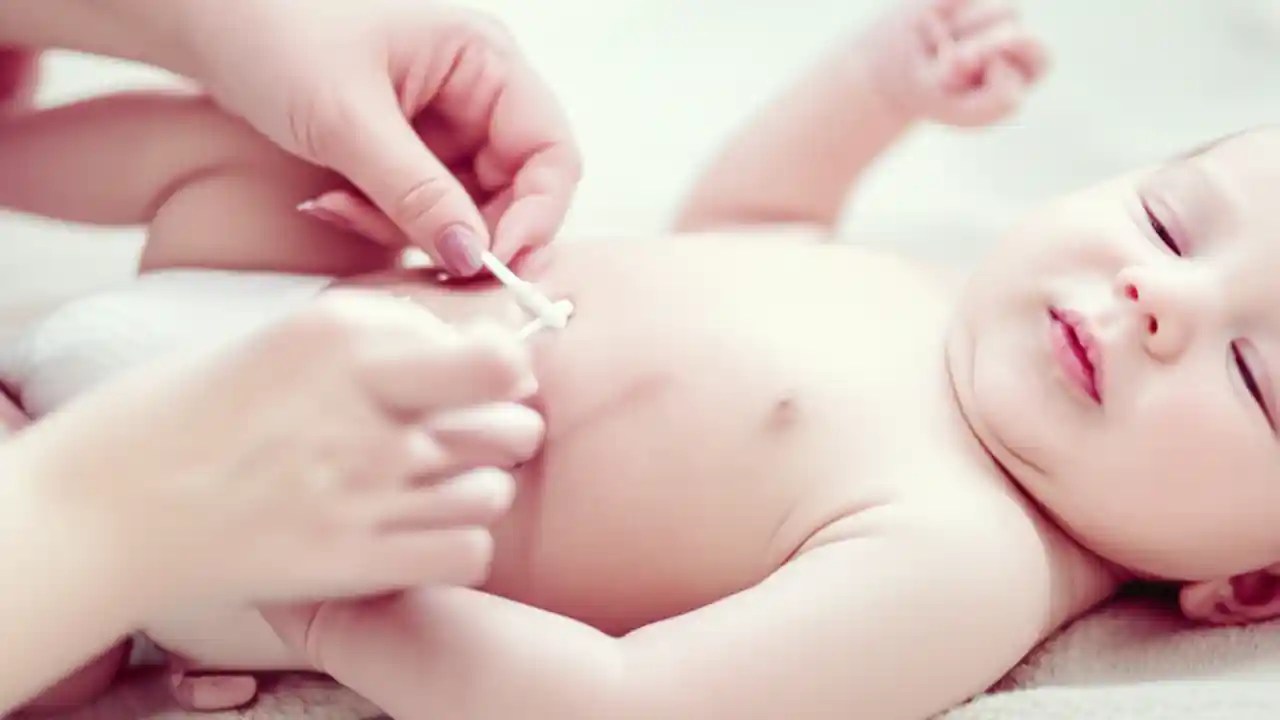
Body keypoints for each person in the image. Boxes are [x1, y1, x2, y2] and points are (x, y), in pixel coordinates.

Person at [13, 0, 1277, 718]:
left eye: (1252, 377)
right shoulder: (940, 300)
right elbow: (752, 223)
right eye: (1167, 220)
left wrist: (323, 608)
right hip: (283, 290)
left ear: (1252, 586)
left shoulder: (968, 559)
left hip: (221, 524)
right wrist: (874, 87)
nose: (1156, 295)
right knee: (268, 144)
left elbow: (624, 703)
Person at [0, 0, 579, 713]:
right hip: (168, 561)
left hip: (243, 334)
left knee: (276, 156)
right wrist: (323, 630)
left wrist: (222, 28)